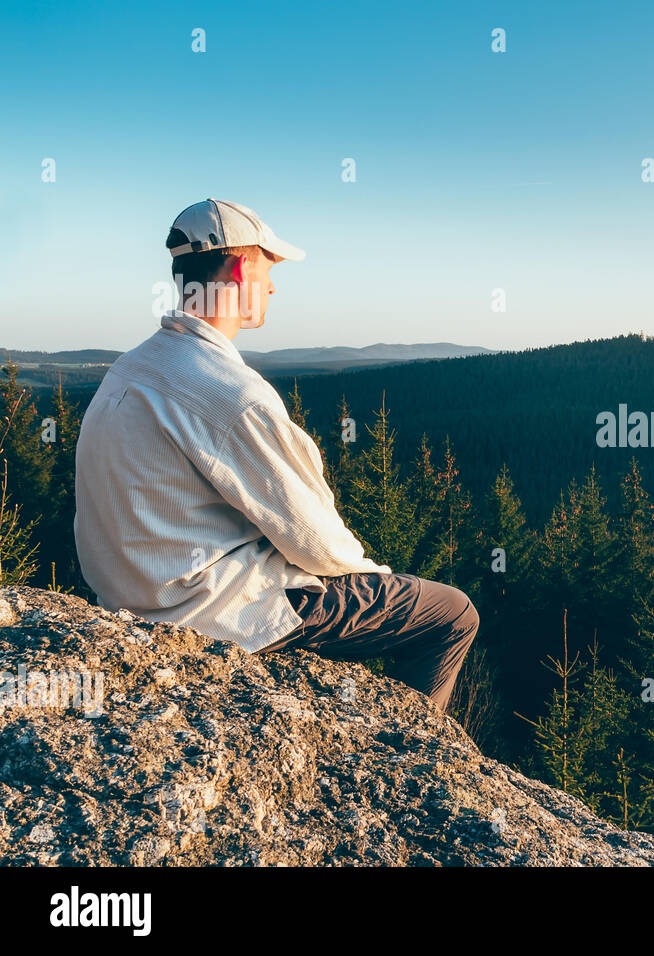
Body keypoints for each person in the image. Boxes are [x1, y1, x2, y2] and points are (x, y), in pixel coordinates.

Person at [73, 198, 478, 712]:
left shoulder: (130, 370)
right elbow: (316, 541)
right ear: (241, 268)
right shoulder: (230, 392)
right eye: (269, 269)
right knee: (452, 614)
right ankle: (420, 753)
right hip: (210, 610)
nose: (272, 286)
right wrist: (375, 577)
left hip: (131, 597)